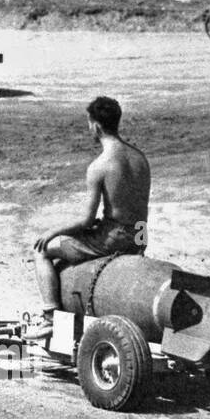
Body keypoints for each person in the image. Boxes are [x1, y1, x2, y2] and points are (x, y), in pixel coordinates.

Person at [26, 96, 151, 340]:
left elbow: (86, 220)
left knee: (41, 250)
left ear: (96, 125)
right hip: (140, 235)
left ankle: (50, 317)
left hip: (113, 238)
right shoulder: (140, 158)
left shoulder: (100, 165)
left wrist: (52, 231)